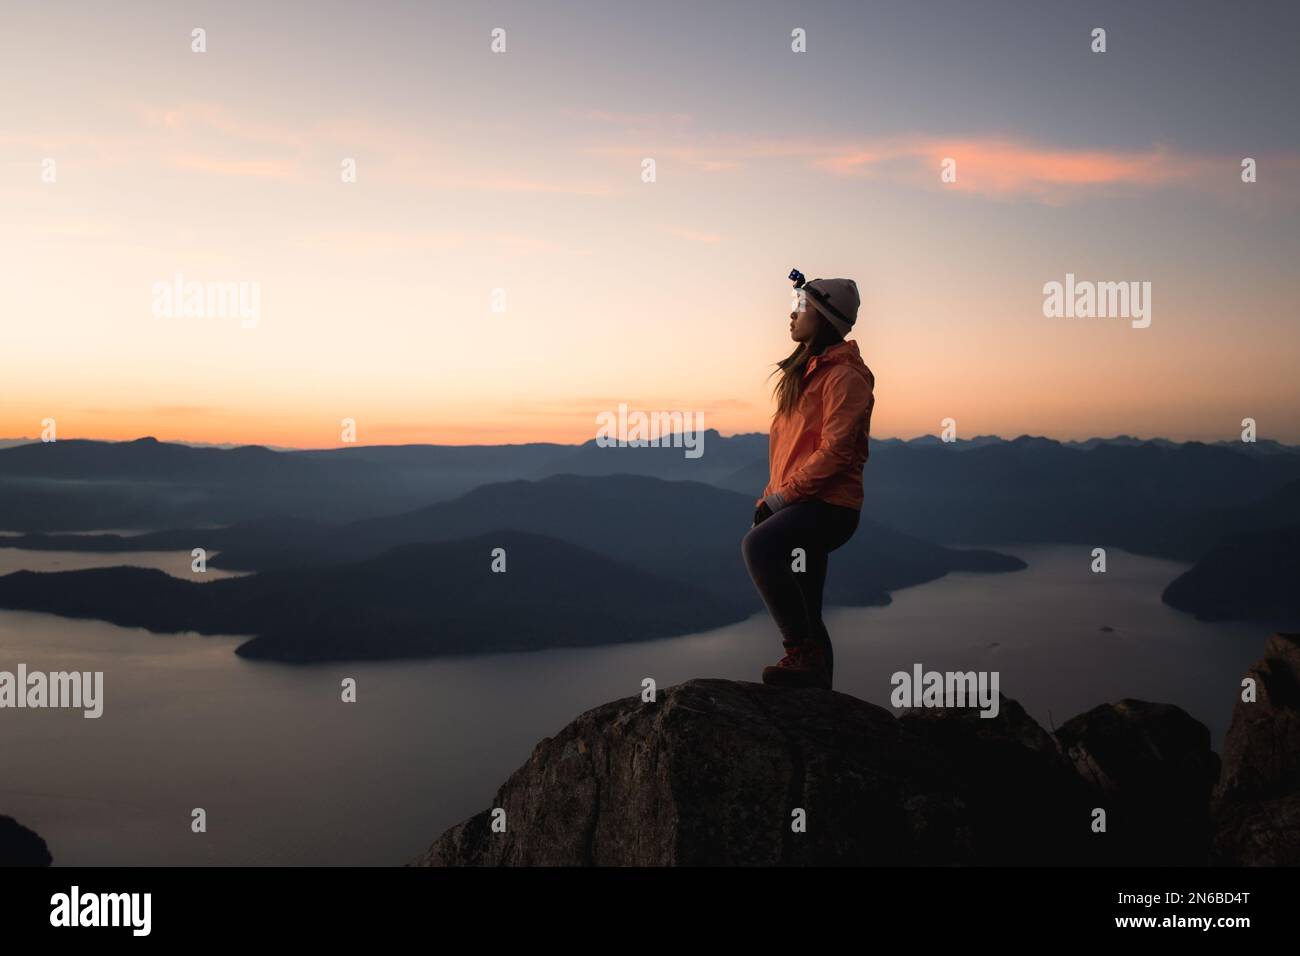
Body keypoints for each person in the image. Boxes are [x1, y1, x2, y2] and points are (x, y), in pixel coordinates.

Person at [740, 273, 875, 690]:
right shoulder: (812, 373)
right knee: (808, 609)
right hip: (804, 503)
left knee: (758, 547)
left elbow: (836, 453)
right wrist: (772, 499)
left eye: (801, 308)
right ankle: (819, 692)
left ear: (823, 317)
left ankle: (800, 654)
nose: (792, 315)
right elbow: (791, 453)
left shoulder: (844, 377)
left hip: (828, 508)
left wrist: (780, 502)